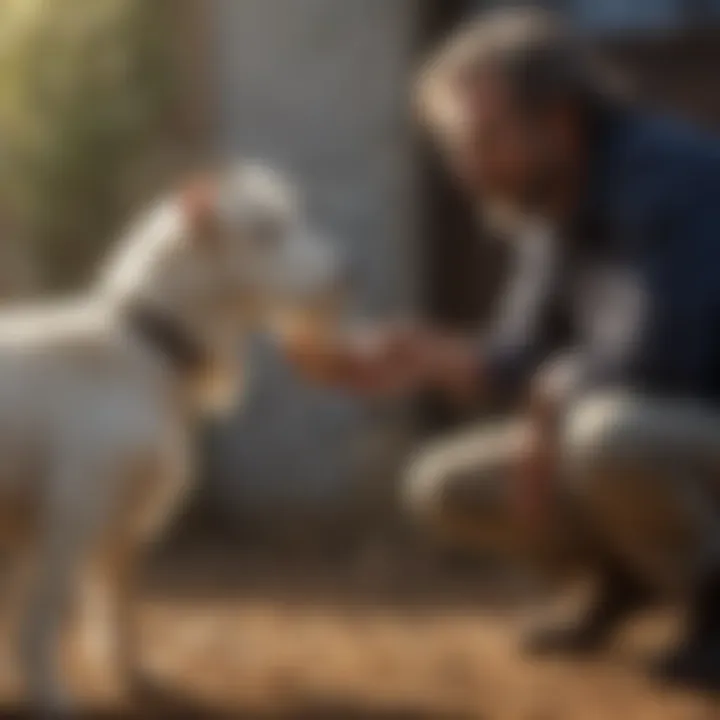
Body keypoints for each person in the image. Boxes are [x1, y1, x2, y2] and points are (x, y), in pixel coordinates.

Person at [283, 7, 720, 687]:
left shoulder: (672, 178)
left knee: (610, 439)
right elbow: (522, 352)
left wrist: (550, 394)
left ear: (560, 120)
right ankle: (624, 582)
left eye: (484, 138)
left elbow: (667, 355)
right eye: (456, 145)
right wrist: (423, 356)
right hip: (668, 433)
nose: (466, 167)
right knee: (445, 486)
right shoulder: (551, 201)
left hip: (687, 421)